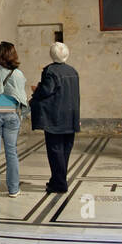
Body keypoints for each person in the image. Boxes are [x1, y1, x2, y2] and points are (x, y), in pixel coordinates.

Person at [29, 41, 81, 192]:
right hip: (70, 116)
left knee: (55, 150)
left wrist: (36, 90)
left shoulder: (51, 71)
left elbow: (47, 90)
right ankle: (57, 180)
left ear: (52, 55)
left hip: (55, 117)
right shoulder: (73, 71)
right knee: (65, 149)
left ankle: (59, 184)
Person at [0, 41, 30, 198]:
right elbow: (21, 95)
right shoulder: (18, 74)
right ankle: (13, 189)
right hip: (11, 115)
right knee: (11, 152)